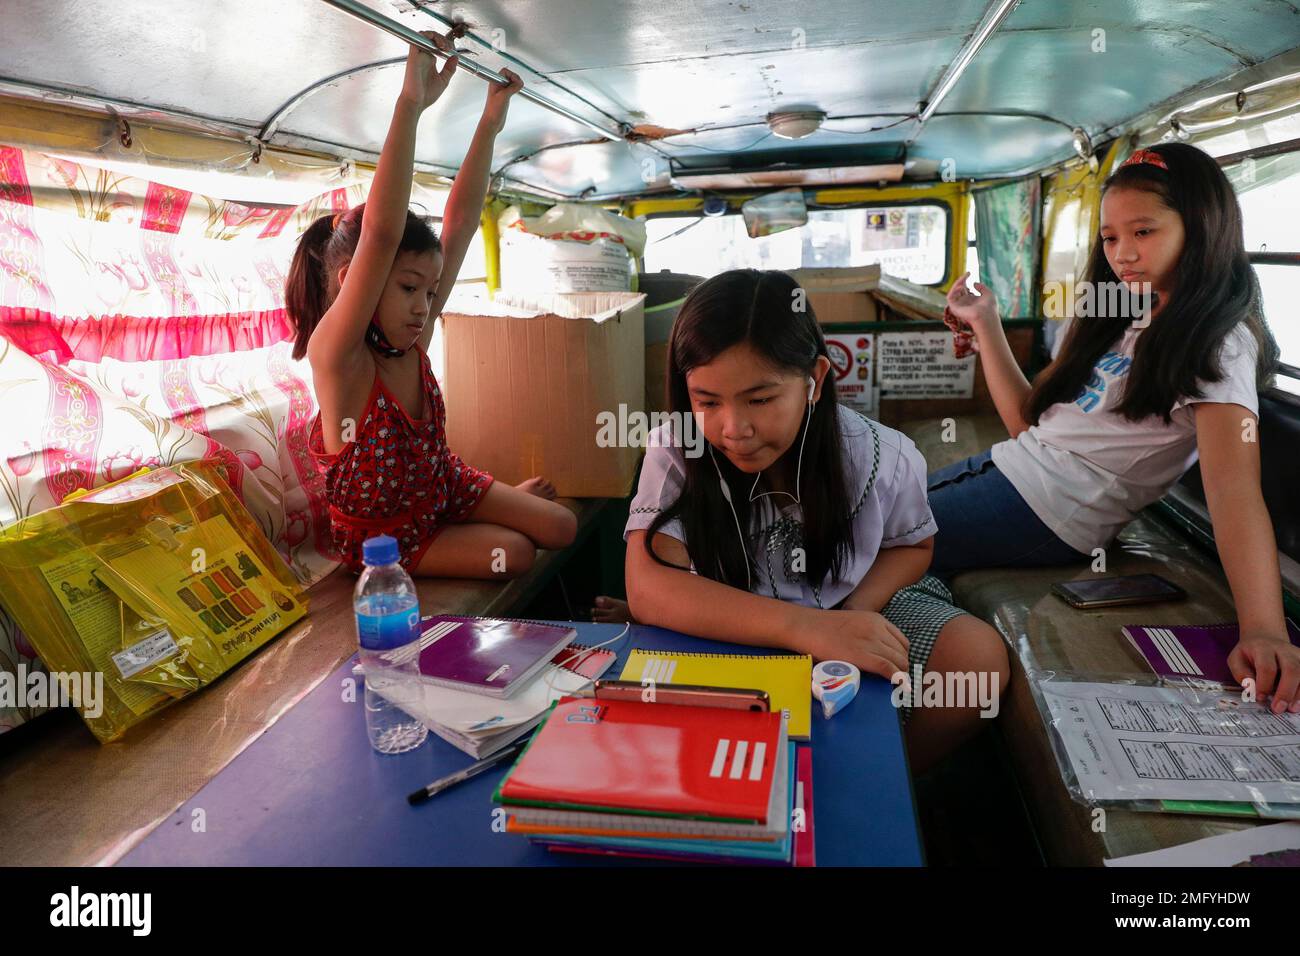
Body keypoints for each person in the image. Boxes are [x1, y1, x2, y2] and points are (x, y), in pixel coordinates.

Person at [932, 142, 1298, 714]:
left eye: (1143, 232)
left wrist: (1265, 629)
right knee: (862, 515)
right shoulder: (1125, 314)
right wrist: (985, 323)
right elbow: (1028, 420)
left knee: (866, 538)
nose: (1123, 253)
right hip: (1010, 472)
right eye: (1110, 237)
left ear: (1201, 228)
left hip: (1049, 511)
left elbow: (1233, 493)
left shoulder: (1219, 343)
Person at [623, 269, 1009, 772]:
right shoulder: (675, 450)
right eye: (707, 401)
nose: (734, 429)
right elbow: (648, 585)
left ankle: (880, 778)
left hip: (847, 601)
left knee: (977, 663)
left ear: (815, 380)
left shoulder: (884, 456)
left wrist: (853, 618)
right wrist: (807, 629)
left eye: (760, 399)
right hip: (727, 618)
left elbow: (912, 547)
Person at [287, 32, 575, 578]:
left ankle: (480, 511)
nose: (424, 306)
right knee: (512, 553)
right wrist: (410, 104)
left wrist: (491, 120)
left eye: (429, 289)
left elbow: (460, 224)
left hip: (442, 485)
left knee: (562, 527)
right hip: (385, 540)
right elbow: (379, 234)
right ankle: (475, 524)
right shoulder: (341, 357)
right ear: (356, 282)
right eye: (407, 288)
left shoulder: (409, 334)